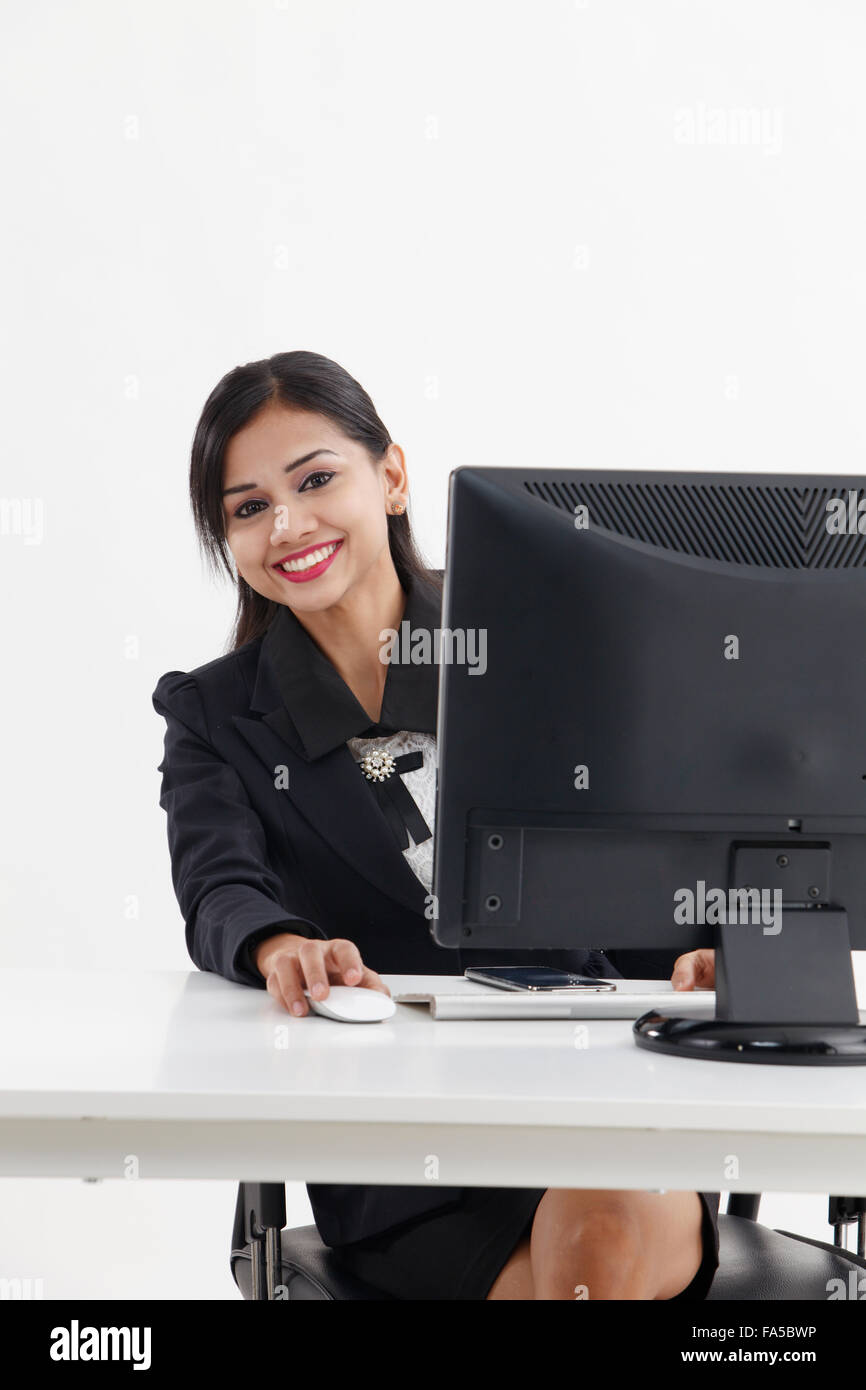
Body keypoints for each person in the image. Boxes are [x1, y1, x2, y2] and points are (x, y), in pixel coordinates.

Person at [152, 348, 720, 1300]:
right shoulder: (215, 717)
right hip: (402, 1147)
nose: (288, 524)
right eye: (248, 507)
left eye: (316, 479)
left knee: (598, 1253)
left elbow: (663, 847)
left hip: (601, 1088)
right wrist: (278, 942)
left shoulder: (540, 640)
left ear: (393, 474)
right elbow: (217, 884)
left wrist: (720, 945)